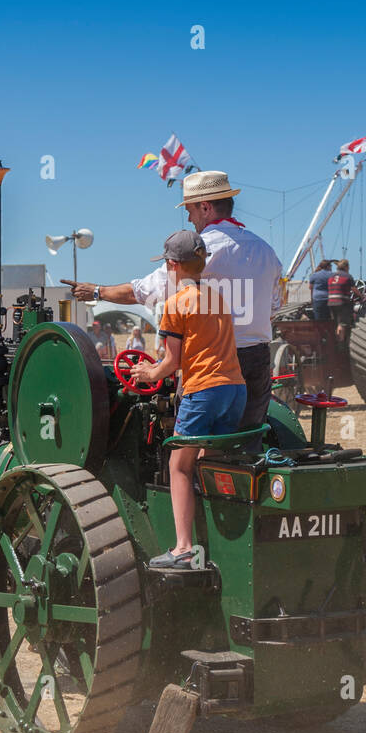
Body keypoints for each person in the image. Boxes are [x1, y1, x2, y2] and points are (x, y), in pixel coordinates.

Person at [63, 169, 282, 431]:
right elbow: (273, 309)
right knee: (249, 443)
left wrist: (97, 291)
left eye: (190, 210)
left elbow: (141, 291)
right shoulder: (266, 252)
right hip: (258, 360)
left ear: (205, 207)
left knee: (191, 447)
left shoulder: (200, 249)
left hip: (209, 366)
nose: (189, 218)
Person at [129, 231, 245, 570]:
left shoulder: (176, 303)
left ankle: (182, 548)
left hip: (203, 391)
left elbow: (172, 363)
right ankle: (221, 543)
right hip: (234, 389)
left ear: (171, 265)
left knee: (179, 466)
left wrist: (147, 375)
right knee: (212, 463)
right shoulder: (218, 298)